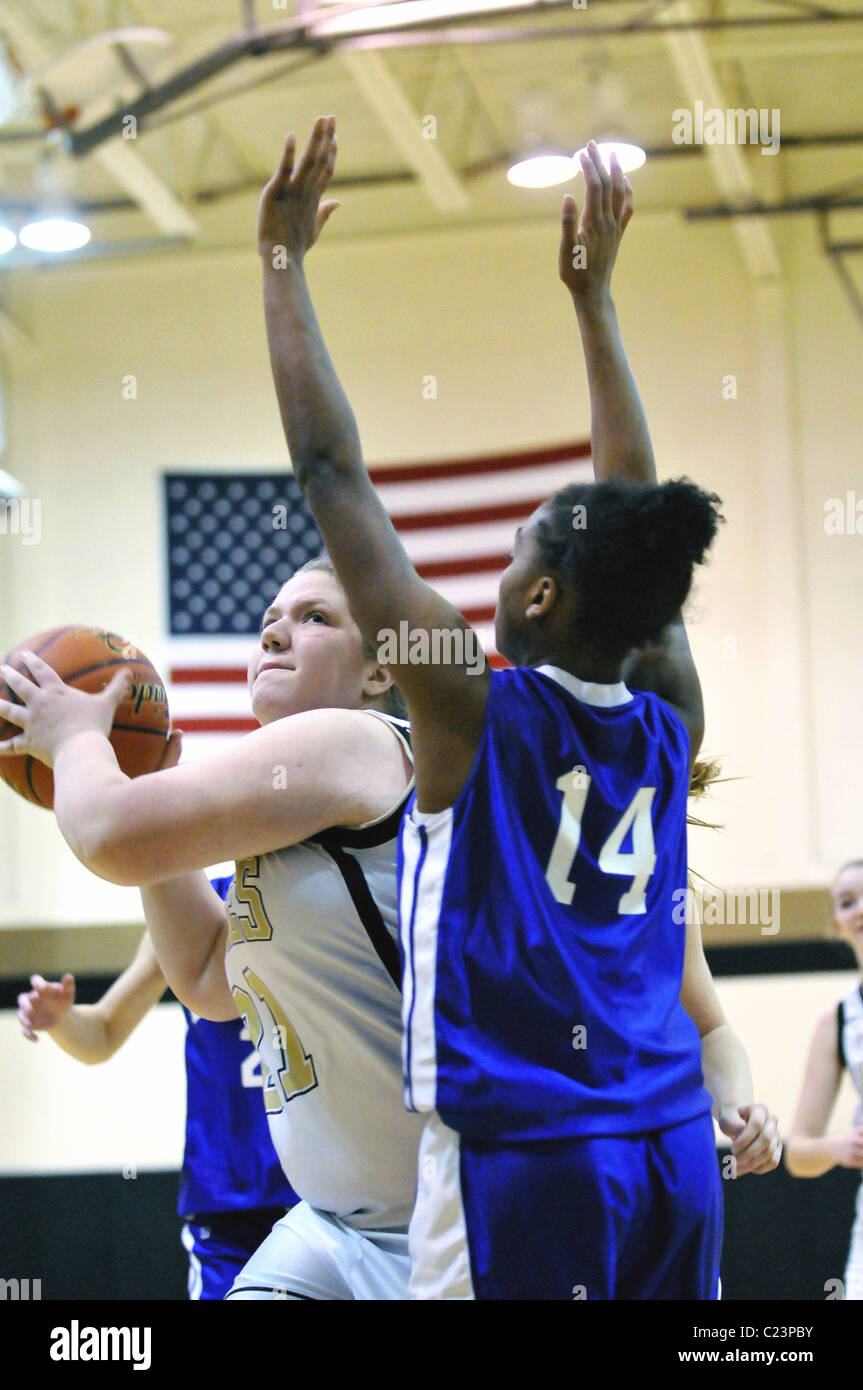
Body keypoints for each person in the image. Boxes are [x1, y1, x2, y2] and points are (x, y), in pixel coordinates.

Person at [252, 116, 781, 1300]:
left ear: (540, 594)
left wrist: (279, 267)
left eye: (506, 553)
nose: (485, 573)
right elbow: (634, 516)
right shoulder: (664, 713)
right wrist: (594, 307)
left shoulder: (464, 709)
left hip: (526, 1161)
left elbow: (333, 475)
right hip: (664, 1151)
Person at [0, 557, 425, 1300]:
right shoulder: (287, 807)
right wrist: (136, 779)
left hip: (449, 1216)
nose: (276, 634)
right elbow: (203, 975)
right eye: (269, 622)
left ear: (377, 672)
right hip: (337, 1226)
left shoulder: (355, 741)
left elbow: (108, 836)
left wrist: (74, 739)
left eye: (313, 619)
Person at [17, 872, 299, 1301]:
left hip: (330, 1187)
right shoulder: (191, 910)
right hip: (230, 1201)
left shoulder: (314, 886)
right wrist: (61, 1021)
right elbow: (104, 1031)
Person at [785, 859, 863, 1300]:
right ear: (837, 924)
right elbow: (799, 1154)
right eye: (848, 902)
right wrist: (840, 1147)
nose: (860, 909)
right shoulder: (836, 1022)